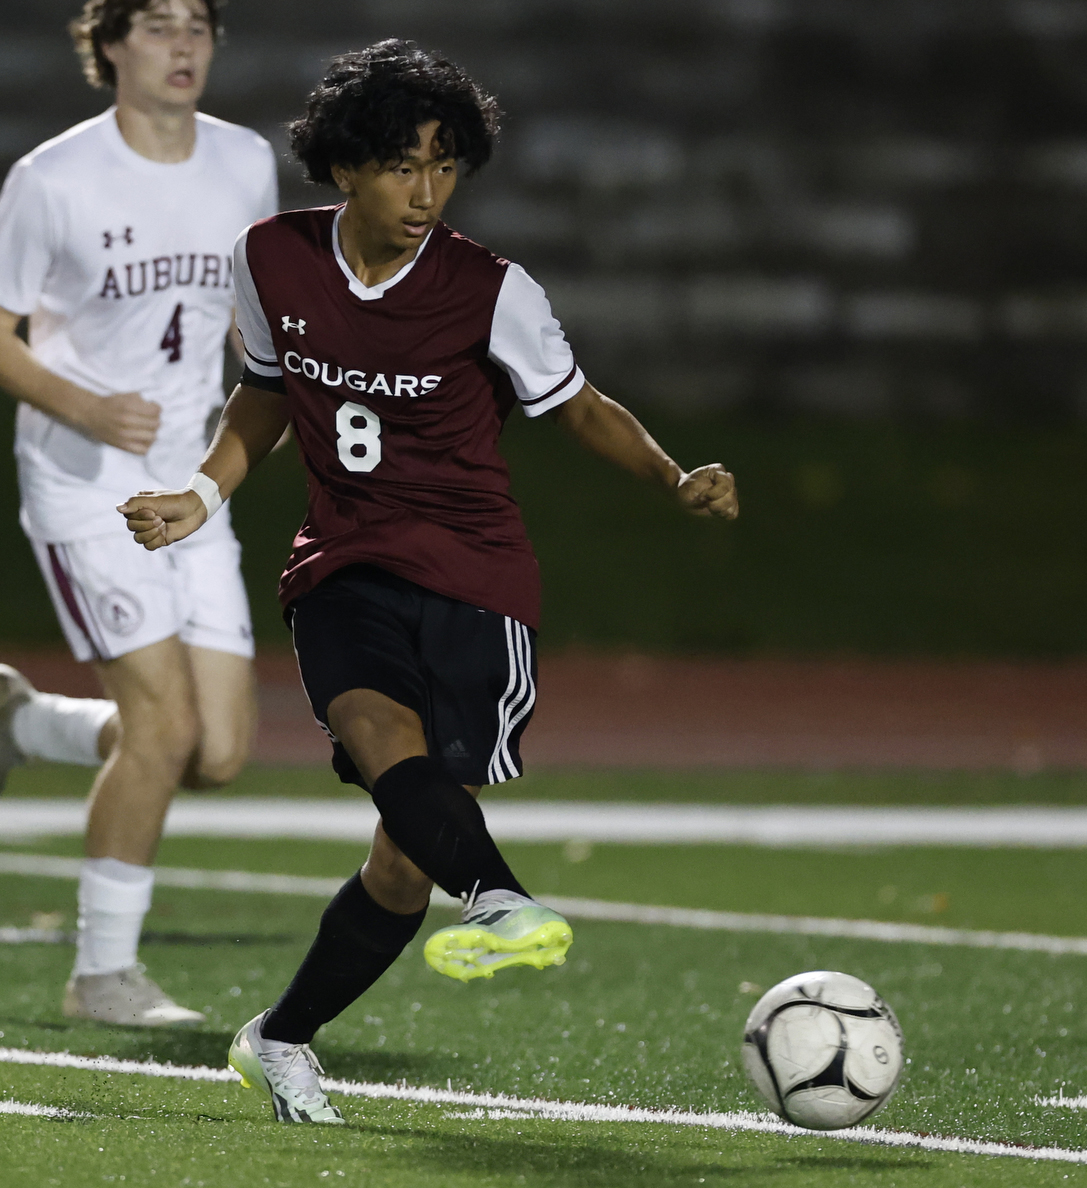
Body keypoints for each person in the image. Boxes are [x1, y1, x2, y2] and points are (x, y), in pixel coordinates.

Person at [121, 40, 738, 1123]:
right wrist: (201, 494)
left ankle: (279, 1037)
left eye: (445, 166)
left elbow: (581, 405)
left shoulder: (490, 288)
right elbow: (262, 396)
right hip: (343, 563)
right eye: (404, 164)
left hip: (473, 575)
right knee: (376, 736)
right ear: (345, 166)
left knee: (403, 863)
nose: (426, 190)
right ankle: (500, 895)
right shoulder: (270, 258)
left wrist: (672, 476)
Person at [0, 0, 277, 1026]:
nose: (183, 46)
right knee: (160, 727)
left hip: (188, 485)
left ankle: (22, 722)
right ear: (109, 44)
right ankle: (101, 973)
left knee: (215, 754)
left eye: (198, 26)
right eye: (157, 26)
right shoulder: (53, 178)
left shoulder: (245, 162)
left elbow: (248, 322)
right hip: (82, 486)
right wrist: (81, 403)